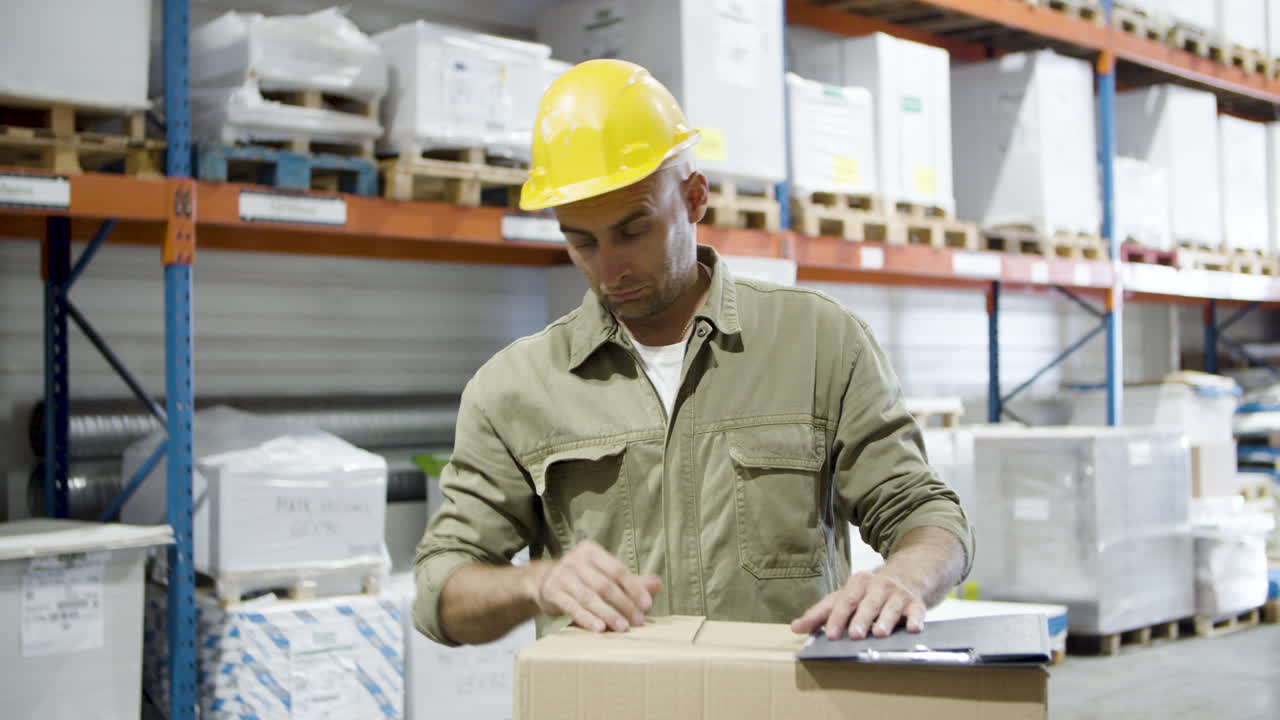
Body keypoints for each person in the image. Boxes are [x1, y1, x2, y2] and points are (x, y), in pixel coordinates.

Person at [413, 59, 972, 647]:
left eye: (634, 230)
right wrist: (536, 581)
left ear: (694, 197)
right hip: (613, 696)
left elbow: (926, 513)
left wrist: (903, 578)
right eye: (582, 242)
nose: (610, 269)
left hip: (777, 693)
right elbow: (439, 590)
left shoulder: (818, 341)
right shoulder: (515, 388)